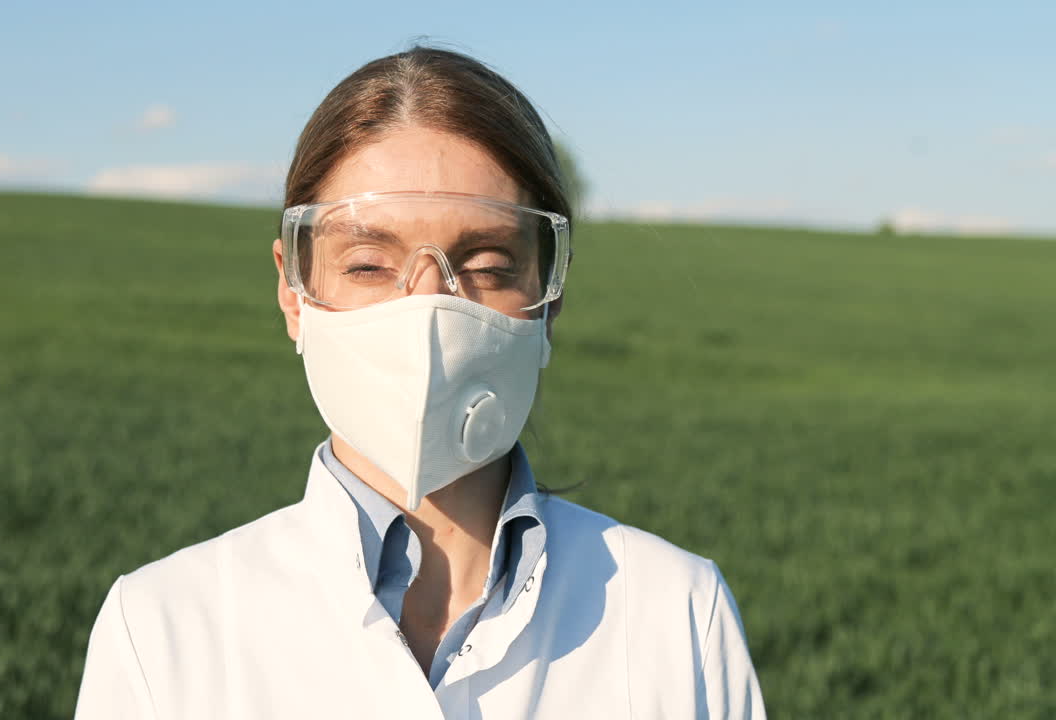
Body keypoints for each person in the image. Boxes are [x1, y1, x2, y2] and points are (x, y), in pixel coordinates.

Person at [74, 46, 765, 719]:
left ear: (549, 300)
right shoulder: (161, 630)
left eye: (488, 264)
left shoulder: (677, 613)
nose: (428, 307)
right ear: (293, 293)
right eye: (370, 264)